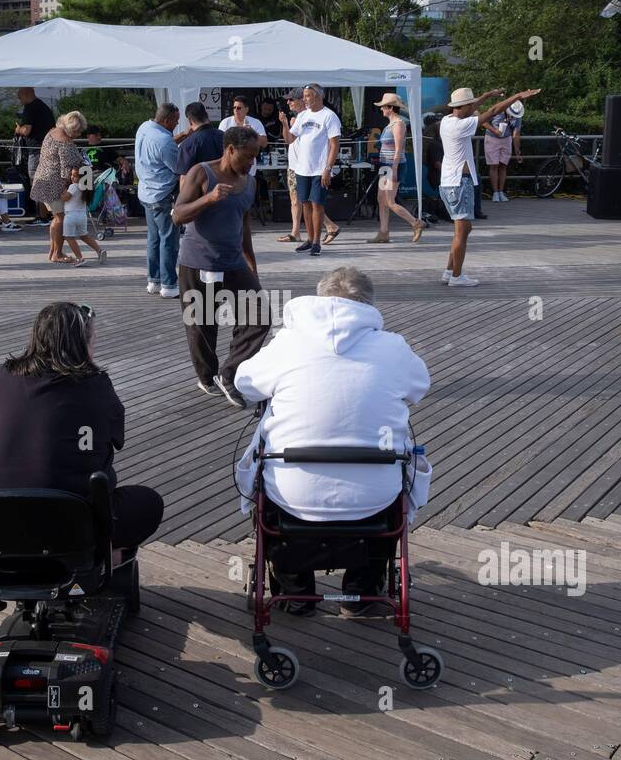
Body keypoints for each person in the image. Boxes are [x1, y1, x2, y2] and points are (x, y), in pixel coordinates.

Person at [233, 267, 430, 614]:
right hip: (375, 494)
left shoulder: (288, 343)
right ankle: (361, 592)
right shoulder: (393, 347)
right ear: (369, 306)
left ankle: (295, 593)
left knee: (275, 479)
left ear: (320, 300)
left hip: (293, 491)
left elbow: (244, 383)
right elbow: (420, 387)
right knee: (389, 482)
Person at [0, 302, 163, 555]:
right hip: (66, 532)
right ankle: (107, 557)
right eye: (93, 340)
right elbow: (115, 439)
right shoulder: (94, 385)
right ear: (81, 345)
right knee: (147, 503)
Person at [174, 125, 270, 406]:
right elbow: (178, 215)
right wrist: (209, 198)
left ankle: (229, 373)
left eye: (256, 156)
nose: (252, 162)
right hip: (197, 262)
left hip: (233, 262)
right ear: (230, 149)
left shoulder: (249, 181)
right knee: (202, 325)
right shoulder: (201, 173)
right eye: (248, 156)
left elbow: (244, 222)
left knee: (259, 317)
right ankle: (206, 376)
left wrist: (251, 262)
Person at [440, 86, 541, 286]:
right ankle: (456, 277)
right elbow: (493, 111)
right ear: (465, 107)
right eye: (472, 105)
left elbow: (473, 107)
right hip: (460, 183)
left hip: (449, 183)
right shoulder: (462, 125)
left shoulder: (446, 120)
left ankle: (449, 271)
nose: (475, 108)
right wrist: (518, 96)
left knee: (463, 229)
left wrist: (485, 95)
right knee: (462, 232)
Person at [278, 83, 342, 256]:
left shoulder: (329, 116)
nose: (304, 99)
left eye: (307, 95)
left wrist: (328, 168)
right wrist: (284, 124)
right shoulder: (303, 116)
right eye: (304, 96)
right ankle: (309, 238)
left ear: (318, 96)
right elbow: (290, 139)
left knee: (317, 204)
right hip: (302, 168)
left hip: (319, 169)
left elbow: (335, 144)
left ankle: (316, 242)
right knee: (305, 203)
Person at [134, 103, 182, 298]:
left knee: (153, 239)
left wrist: (180, 137)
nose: (177, 125)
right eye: (175, 122)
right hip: (162, 194)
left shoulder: (144, 127)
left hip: (146, 191)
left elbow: (159, 149)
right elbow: (178, 166)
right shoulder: (165, 141)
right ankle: (169, 285)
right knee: (169, 240)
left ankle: (153, 281)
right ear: (166, 120)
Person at [31, 111, 89, 265]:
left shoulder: (52, 132)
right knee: (61, 219)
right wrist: (70, 189)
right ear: (70, 128)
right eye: (77, 131)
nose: (78, 134)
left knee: (58, 218)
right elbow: (65, 170)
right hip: (54, 185)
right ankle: (57, 253)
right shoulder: (66, 143)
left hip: (43, 180)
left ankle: (53, 252)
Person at [369, 92, 423, 244]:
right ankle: (383, 232)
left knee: (390, 201)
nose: (381, 109)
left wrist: (394, 168)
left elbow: (399, 149)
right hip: (385, 165)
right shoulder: (390, 124)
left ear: (390, 108)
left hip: (393, 165)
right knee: (381, 199)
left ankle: (416, 223)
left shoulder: (399, 124)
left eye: (383, 107)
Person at [13, 86, 56, 193]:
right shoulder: (43, 106)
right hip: (48, 148)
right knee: (47, 179)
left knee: (35, 180)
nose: (19, 100)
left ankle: (39, 207)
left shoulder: (30, 108)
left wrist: (18, 129)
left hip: (36, 150)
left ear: (27, 94)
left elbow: (26, 130)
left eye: (19, 97)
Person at [61, 167, 106, 267]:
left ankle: (79, 257)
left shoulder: (73, 186)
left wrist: (62, 192)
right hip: (82, 216)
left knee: (69, 237)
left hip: (71, 216)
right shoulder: (87, 188)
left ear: (82, 177)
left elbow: (65, 198)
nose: (72, 177)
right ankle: (99, 250)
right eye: (71, 175)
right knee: (84, 236)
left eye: (75, 176)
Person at [485, 99, 524, 203]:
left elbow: (516, 133)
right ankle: (495, 192)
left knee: (503, 165)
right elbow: (483, 121)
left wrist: (517, 151)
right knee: (494, 165)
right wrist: (495, 131)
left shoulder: (518, 116)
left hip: (506, 139)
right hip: (492, 138)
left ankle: (501, 191)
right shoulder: (497, 109)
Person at [176, 101, 225, 175]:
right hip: (226, 184)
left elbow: (184, 177)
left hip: (200, 185)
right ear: (207, 116)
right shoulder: (225, 136)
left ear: (190, 120)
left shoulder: (188, 144)